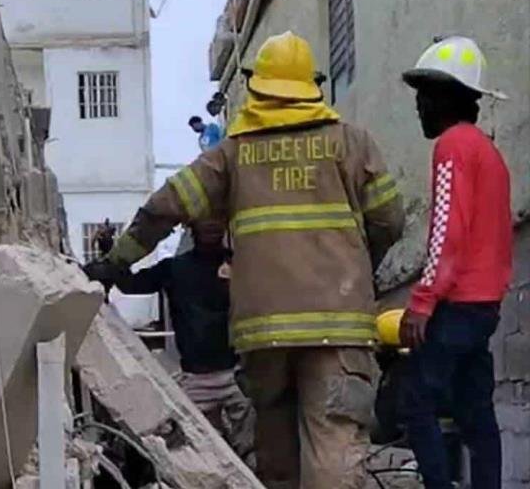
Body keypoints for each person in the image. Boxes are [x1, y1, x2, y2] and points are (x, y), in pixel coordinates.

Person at [86, 31, 405, 488]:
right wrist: (356, 271)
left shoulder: (231, 156)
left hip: (265, 332)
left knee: (274, 446)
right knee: (333, 441)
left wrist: (114, 264)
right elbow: (390, 221)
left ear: (256, 88)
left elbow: (164, 208)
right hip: (338, 326)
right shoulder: (353, 144)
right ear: (311, 88)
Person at [399, 36, 512, 489]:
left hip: (457, 303)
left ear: (447, 99)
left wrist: (422, 301)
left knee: (416, 402)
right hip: (486, 306)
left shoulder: (452, 147)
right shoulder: (489, 153)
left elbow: (448, 232)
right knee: (475, 412)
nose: (419, 107)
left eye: (425, 96)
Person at [111, 219, 255, 466]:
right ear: (191, 228)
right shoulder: (176, 269)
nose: (211, 227)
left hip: (237, 374)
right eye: (205, 221)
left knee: (251, 455)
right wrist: (113, 256)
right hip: (198, 379)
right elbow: (130, 284)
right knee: (202, 457)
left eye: (215, 221)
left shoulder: (241, 266)